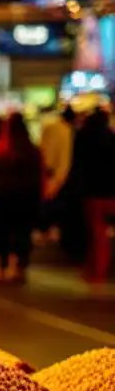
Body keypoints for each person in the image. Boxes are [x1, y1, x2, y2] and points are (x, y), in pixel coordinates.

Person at [0, 114, 43, 282]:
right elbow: (39, 176)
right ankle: (19, 267)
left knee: (2, 232)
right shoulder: (33, 151)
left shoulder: (1, 151)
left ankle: (3, 267)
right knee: (22, 232)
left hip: (3, 199)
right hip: (26, 199)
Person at [72, 109, 115, 282]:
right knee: (100, 233)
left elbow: (78, 165)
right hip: (110, 191)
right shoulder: (111, 138)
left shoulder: (84, 138)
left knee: (96, 232)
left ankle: (97, 270)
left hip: (93, 192)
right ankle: (98, 268)